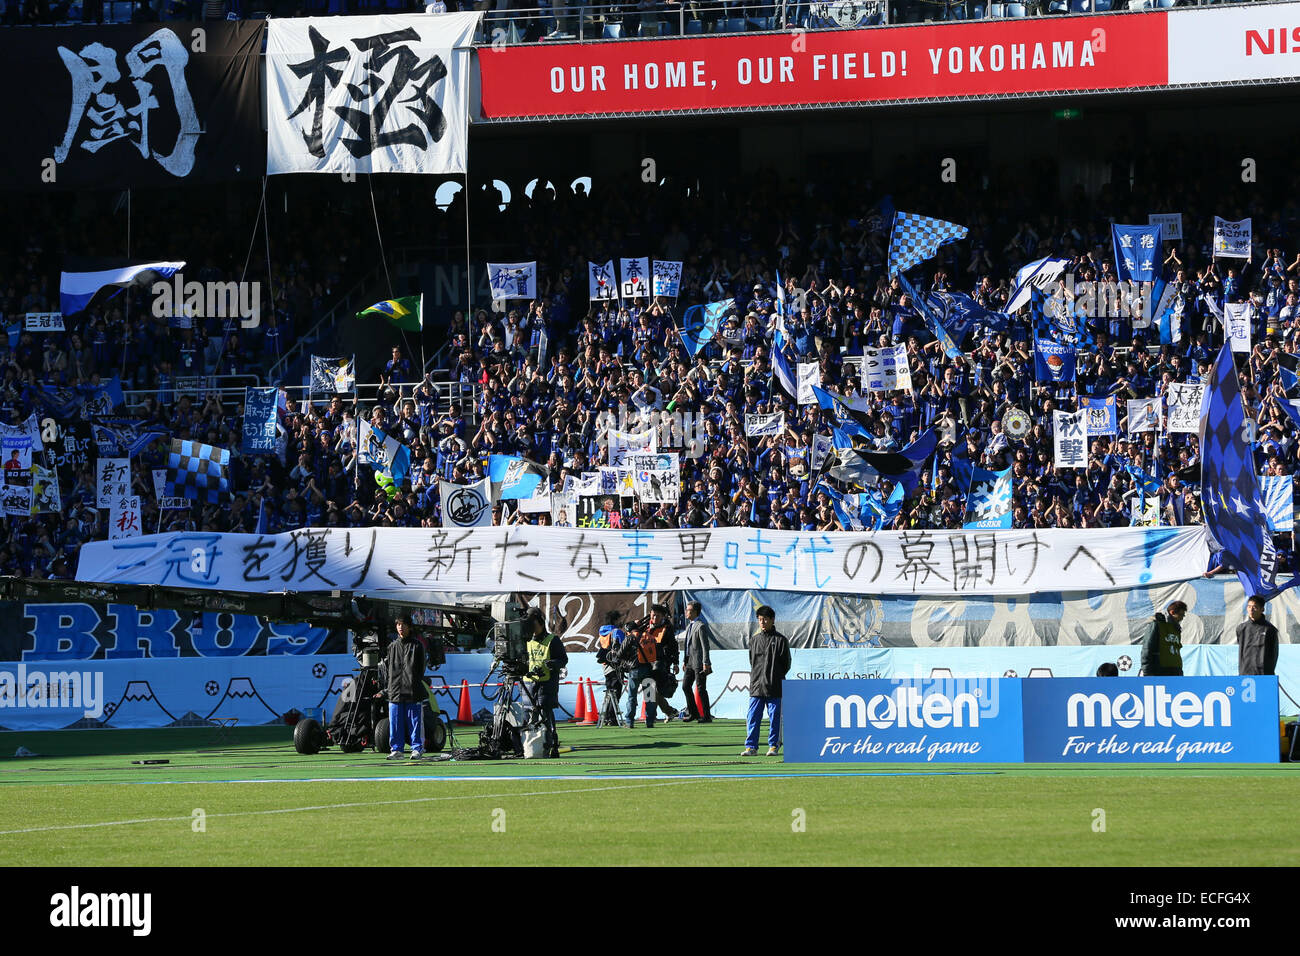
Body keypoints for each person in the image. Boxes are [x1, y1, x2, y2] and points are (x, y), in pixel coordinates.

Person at [742, 605, 791, 757]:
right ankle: (751, 747)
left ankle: (773, 746)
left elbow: (786, 664)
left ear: (772, 620)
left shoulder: (781, 640)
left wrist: (774, 676)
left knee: (775, 718)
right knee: (752, 717)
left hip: (775, 687)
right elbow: (752, 661)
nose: (762, 622)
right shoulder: (754, 640)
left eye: (765, 619)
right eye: (759, 620)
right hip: (756, 686)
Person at [524, 608, 568, 758]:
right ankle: (530, 748)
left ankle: (550, 746)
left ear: (541, 623)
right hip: (528, 683)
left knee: (545, 714)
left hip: (547, 683)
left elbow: (563, 660)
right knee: (529, 716)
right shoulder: (525, 640)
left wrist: (551, 664)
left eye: (532, 623)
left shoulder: (552, 640)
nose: (530, 627)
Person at [383, 613, 427, 760]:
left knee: (415, 722)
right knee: (395, 723)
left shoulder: (417, 645)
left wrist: (413, 681)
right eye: (398, 625)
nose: (400, 628)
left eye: (403, 625)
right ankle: (396, 750)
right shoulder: (392, 646)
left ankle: (417, 748)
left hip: (413, 690)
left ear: (409, 627)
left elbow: (421, 669)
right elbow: (388, 669)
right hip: (394, 691)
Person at [679, 600, 713, 722]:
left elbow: (705, 646)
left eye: (688, 610)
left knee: (701, 688)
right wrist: (684, 660)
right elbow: (687, 645)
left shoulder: (700, 626)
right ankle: (694, 713)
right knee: (685, 686)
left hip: (699, 662)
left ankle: (707, 716)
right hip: (689, 662)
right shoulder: (689, 626)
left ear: (695, 612)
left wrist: (706, 662)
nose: (686, 612)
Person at [625, 615, 659, 728]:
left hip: (634, 670)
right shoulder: (649, 637)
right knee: (649, 697)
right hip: (649, 669)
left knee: (632, 696)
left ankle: (630, 721)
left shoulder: (630, 637)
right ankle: (650, 721)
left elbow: (621, 653)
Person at [1140, 600, 1186, 677]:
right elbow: (1147, 648)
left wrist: (1179, 671)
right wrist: (1146, 671)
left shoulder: (1176, 628)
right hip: (1159, 671)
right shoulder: (1156, 624)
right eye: (1181, 615)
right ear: (1172, 612)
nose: (1182, 618)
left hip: (1175, 671)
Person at [1236, 595, 1280, 676]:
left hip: (1264, 674)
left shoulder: (1270, 629)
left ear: (1262, 609)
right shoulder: (1241, 628)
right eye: (1249, 606)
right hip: (1244, 674)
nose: (1251, 609)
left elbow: (1274, 654)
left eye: (1255, 607)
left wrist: (1269, 673)